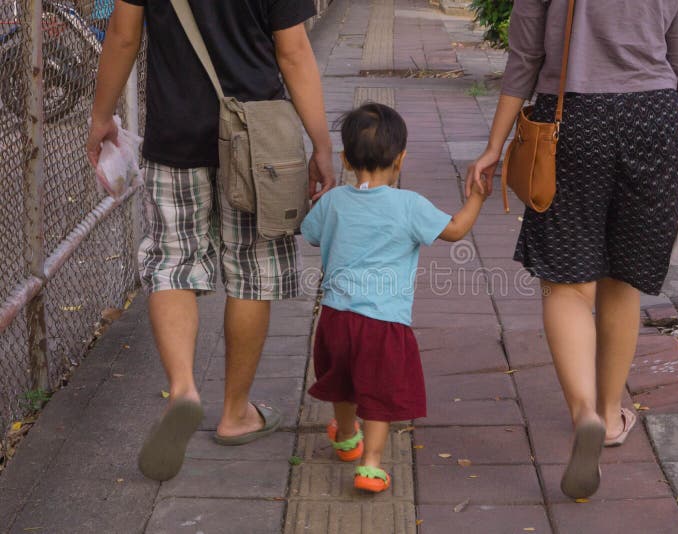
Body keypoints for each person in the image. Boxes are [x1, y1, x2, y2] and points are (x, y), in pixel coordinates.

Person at [85, 0, 335, 481]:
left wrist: (101, 116)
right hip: (255, 136)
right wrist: (320, 144)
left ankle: (183, 390)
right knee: (253, 268)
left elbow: (121, 35)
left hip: (175, 134)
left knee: (171, 262)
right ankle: (236, 413)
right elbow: (294, 51)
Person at [467, 0, 678, 499]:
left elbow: (524, 59)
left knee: (566, 284)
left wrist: (494, 145)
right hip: (655, 121)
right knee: (624, 280)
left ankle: (584, 414)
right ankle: (613, 412)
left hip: (572, 120)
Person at [301, 103, 488, 493]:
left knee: (342, 380)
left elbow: (311, 232)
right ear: (401, 159)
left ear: (346, 159)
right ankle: (370, 465)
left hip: (335, 318)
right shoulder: (409, 205)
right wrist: (476, 201)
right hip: (383, 323)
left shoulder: (334, 202)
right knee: (378, 392)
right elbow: (454, 231)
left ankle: (347, 438)